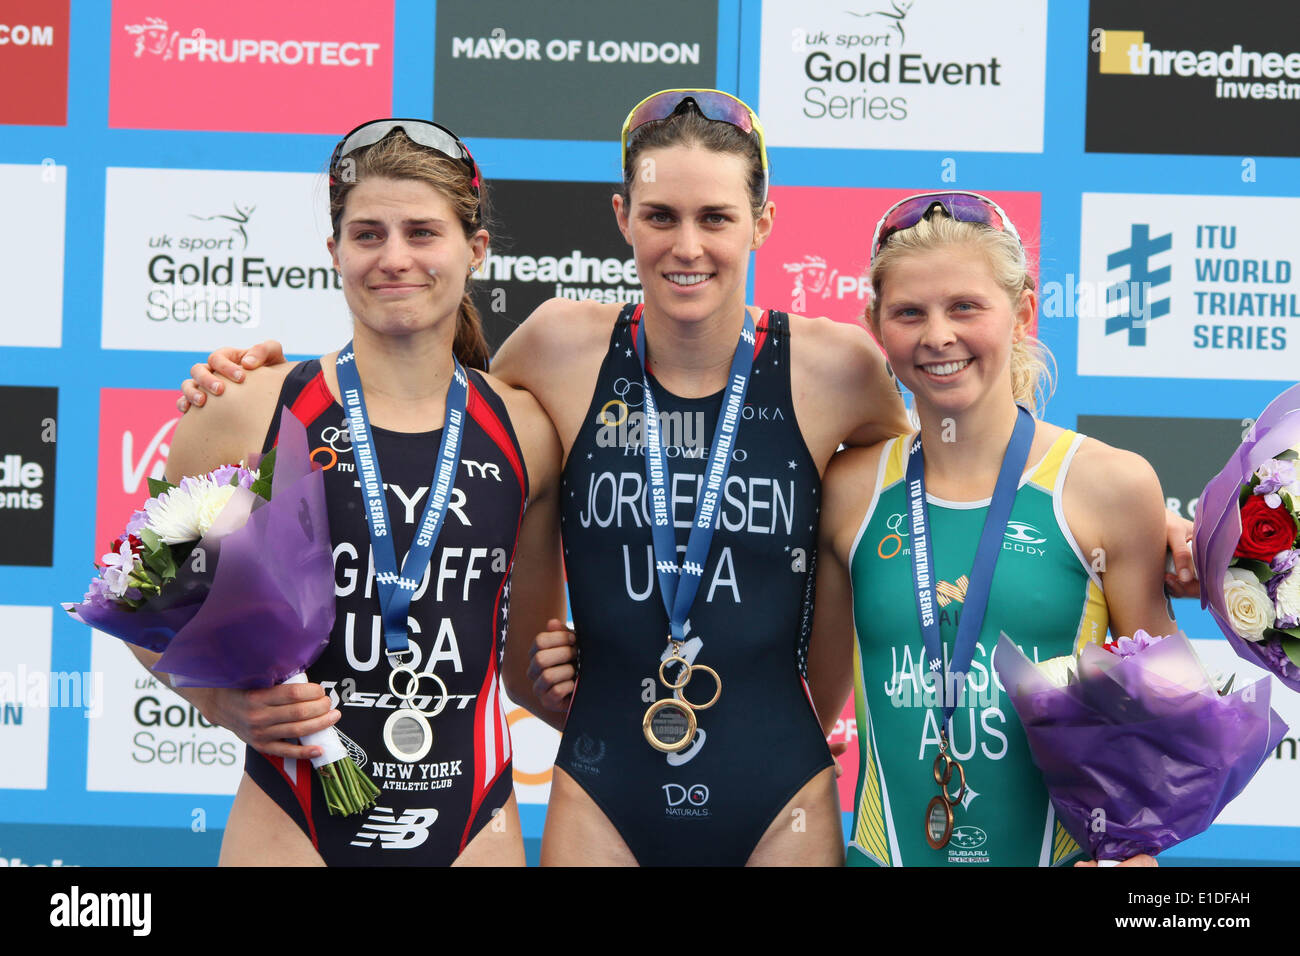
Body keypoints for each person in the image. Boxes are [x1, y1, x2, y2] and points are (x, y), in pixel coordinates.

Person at [177, 93, 1198, 866]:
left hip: (779, 774)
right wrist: (240, 386)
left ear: (761, 220)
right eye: (660, 215)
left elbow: (958, 472)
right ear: (621, 216)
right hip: (602, 773)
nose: (687, 244)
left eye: (715, 216)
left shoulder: (837, 365)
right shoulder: (562, 345)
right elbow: (415, 412)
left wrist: (1152, 533)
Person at [131, 119, 565, 866]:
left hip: (472, 822)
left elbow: (530, 651)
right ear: (334, 254)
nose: (395, 257)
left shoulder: (528, 429)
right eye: (368, 234)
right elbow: (145, 606)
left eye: (423, 233)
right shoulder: (249, 406)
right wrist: (222, 705)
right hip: (292, 817)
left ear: (477, 250)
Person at [808, 192, 1172, 866]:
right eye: (909, 312)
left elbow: (1166, 711)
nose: (938, 336)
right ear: (876, 326)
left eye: (965, 307)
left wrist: (1136, 846)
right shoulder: (850, 489)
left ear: (1024, 311)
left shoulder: (1108, 486)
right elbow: (809, 703)